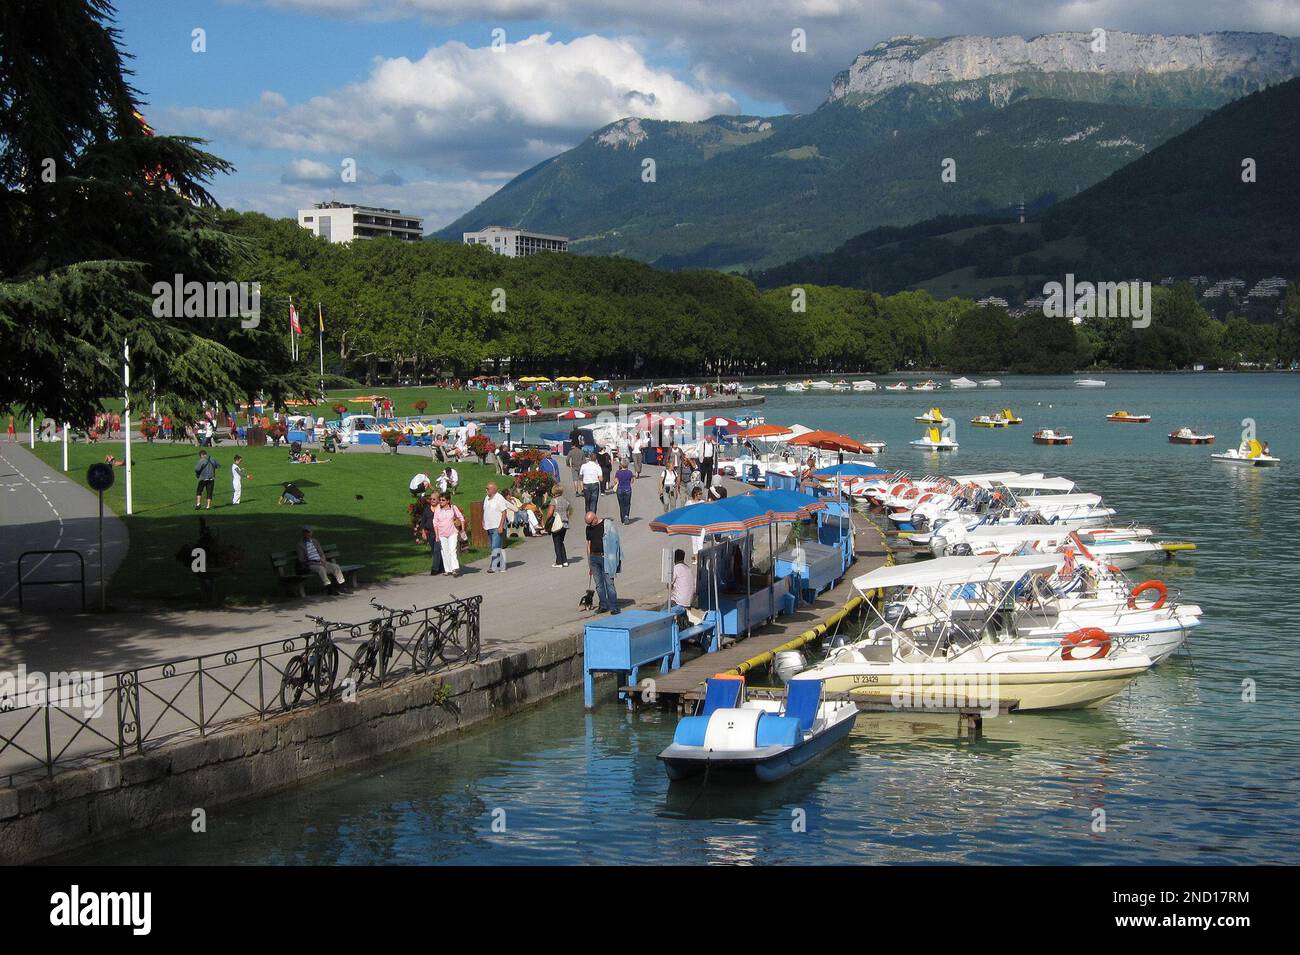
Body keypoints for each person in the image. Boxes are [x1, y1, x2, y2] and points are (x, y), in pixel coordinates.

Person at [423, 493, 465, 577]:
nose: (441, 502)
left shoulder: (453, 508)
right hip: (442, 534)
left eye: (443, 500)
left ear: (448, 501)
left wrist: (462, 529)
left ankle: (455, 568)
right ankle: (448, 569)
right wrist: (437, 535)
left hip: (452, 533)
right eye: (440, 500)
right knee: (444, 552)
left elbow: (461, 517)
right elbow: (435, 522)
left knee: (452, 550)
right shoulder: (438, 509)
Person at [585, 511, 618, 614]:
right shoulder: (589, 528)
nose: (589, 525)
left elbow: (615, 541)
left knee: (609, 583)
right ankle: (603, 605)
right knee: (599, 585)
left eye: (590, 523)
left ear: (595, 518)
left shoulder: (606, 525)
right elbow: (589, 544)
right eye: (588, 524)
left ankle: (613, 607)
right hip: (594, 558)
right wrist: (589, 561)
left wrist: (614, 559)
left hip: (605, 557)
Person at [297, 526, 346, 595]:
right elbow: (302, 560)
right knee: (321, 569)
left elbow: (321, 553)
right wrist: (316, 563)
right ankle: (329, 588)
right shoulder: (300, 545)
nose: (307, 534)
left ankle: (342, 586)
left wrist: (323, 560)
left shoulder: (315, 541)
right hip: (311, 564)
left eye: (309, 532)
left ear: (311, 533)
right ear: (303, 533)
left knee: (335, 567)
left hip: (320, 561)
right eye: (305, 532)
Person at [482, 482, 514, 573]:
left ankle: (494, 566)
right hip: (489, 526)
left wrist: (501, 526)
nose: (486, 490)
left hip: (497, 526)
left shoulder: (499, 498)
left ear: (493, 489)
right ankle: (500, 564)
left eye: (487, 488)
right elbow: (485, 510)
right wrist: (483, 520)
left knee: (495, 546)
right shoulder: (486, 499)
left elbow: (504, 512)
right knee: (494, 546)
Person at [544, 485, 571, 568]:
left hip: (556, 523)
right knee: (561, 542)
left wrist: (546, 522)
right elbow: (568, 512)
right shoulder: (566, 501)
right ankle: (565, 560)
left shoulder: (554, 501)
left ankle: (559, 562)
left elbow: (550, 513)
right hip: (565, 523)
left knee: (556, 542)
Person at [669, 548, 696, 614]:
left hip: (679, 602)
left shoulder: (676, 568)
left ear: (674, 559)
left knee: (661, 613)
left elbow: (669, 586)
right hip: (688, 602)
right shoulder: (688, 568)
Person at [614, 459, 635, 524]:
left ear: (621, 465)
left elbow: (615, 481)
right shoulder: (630, 472)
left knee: (621, 504)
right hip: (627, 489)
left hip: (620, 489)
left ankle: (622, 518)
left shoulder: (618, 472)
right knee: (627, 504)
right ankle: (626, 516)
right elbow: (632, 481)